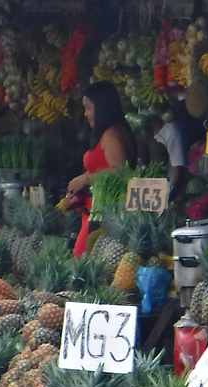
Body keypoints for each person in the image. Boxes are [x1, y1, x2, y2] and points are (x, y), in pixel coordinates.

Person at [66, 81, 138, 256]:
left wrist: (85, 179)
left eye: (89, 108)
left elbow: (120, 171)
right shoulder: (113, 131)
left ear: (102, 107)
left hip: (103, 214)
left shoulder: (111, 135)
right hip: (94, 211)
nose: (85, 114)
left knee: (83, 258)